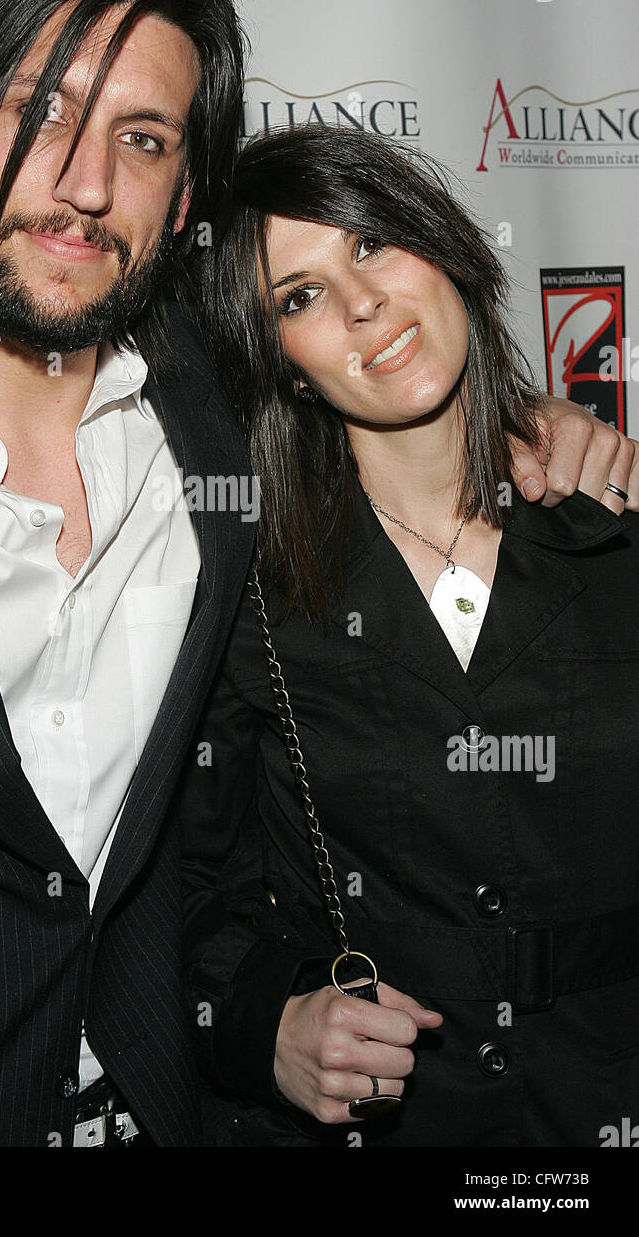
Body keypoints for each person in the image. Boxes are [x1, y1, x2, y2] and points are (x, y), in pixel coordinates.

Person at [0, 0, 632, 1150]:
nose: (81, 183)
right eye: (39, 109)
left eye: (142, 137)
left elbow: (377, 364)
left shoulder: (209, 420)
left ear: (182, 206)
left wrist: (537, 422)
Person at [180, 123, 639, 1147]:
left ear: (437, 244)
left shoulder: (614, 527)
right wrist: (268, 1026)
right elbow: (187, 893)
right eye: (296, 297)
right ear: (283, 365)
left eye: (368, 242)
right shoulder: (246, 594)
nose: (359, 304)